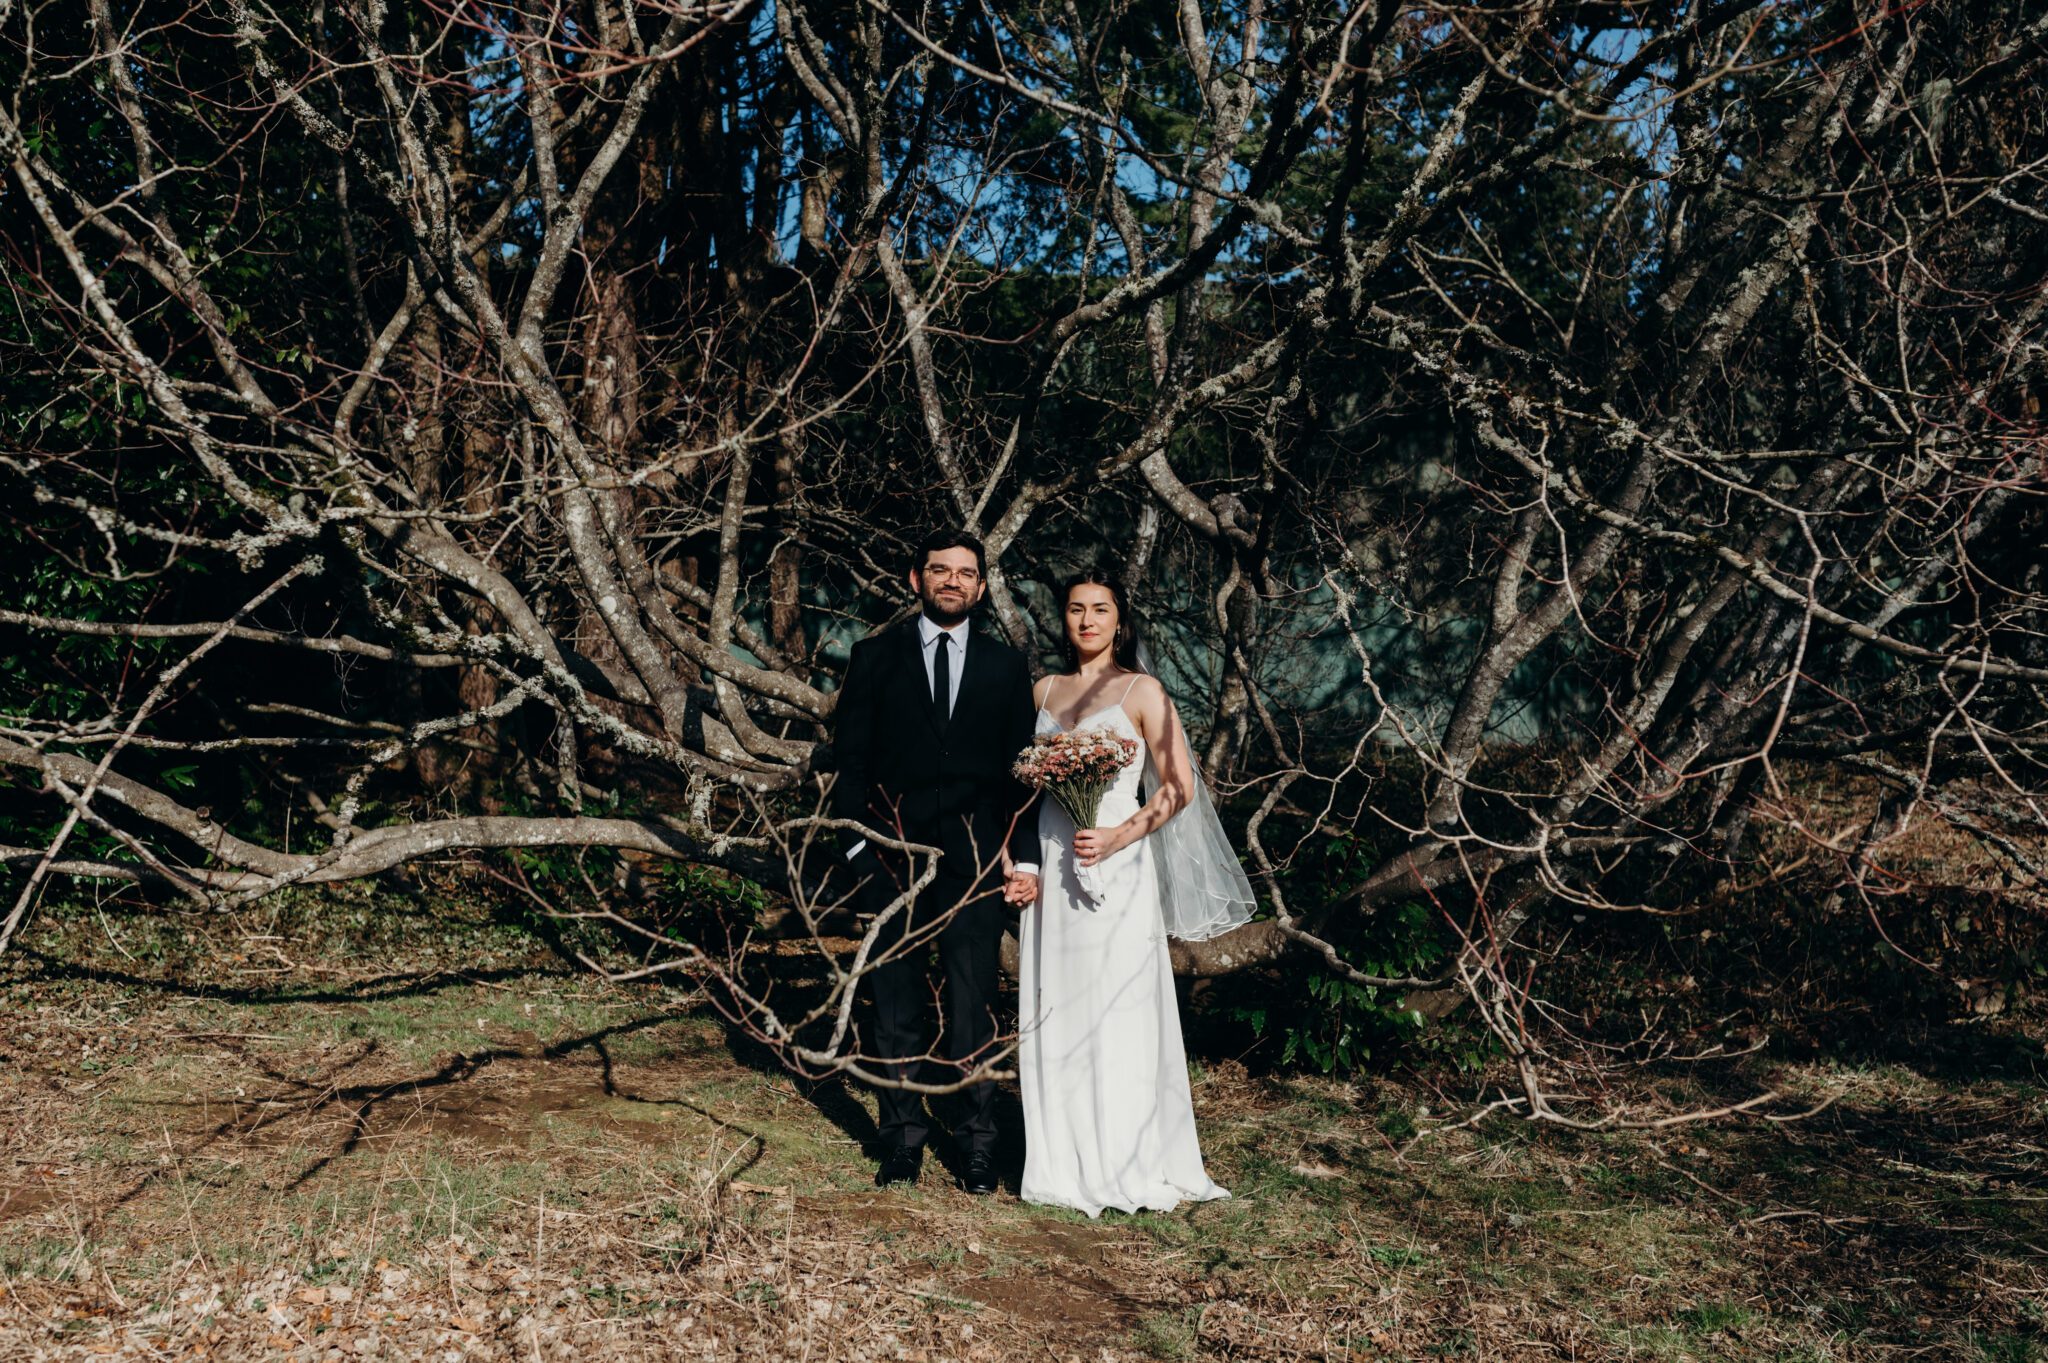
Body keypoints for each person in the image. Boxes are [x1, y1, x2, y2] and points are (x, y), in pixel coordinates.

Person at [1018, 570, 1255, 1216]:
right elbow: (1020, 789)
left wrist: (1121, 834)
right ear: (1063, 618)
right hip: (1054, 862)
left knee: (1117, 1007)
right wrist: (1027, 862)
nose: (1087, 620)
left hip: (1117, 870)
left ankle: (1126, 1155)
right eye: (1075, 609)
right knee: (1058, 1002)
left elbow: (1177, 786)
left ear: (1120, 620)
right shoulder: (1041, 689)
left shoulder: (1144, 691)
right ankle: (1061, 1160)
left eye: (1100, 609)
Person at [831, 528, 1041, 1194]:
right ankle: (901, 1142)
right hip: (890, 858)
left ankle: (978, 1144)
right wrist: (860, 848)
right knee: (894, 1005)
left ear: (981, 586)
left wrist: (1024, 856)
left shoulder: (1007, 668)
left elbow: (1021, 774)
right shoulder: (873, 656)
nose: (953, 580)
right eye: (940, 569)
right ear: (916, 578)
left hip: (974, 863)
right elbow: (851, 761)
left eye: (966, 572)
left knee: (972, 1006)